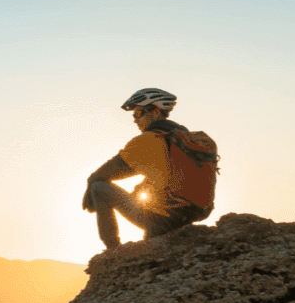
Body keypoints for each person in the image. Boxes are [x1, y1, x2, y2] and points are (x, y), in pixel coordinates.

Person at [82, 88, 217, 250]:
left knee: (98, 188)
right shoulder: (187, 141)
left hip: (162, 220)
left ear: (156, 112)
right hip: (194, 214)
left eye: (138, 113)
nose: (135, 120)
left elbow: (101, 175)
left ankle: (113, 250)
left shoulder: (147, 141)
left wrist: (90, 189)